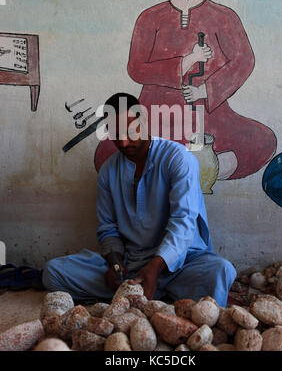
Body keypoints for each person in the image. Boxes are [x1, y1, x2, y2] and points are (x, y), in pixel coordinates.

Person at [94, 0, 277, 181]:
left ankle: (198, 166)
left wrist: (206, 89)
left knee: (262, 141)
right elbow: (135, 68)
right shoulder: (150, 18)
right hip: (156, 114)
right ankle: (195, 167)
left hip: (208, 114)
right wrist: (186, 61)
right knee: (106, 154)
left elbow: (243, 61)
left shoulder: (224, 16)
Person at [43, 93, 236, 307]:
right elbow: (108, 229)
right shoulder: (108, 171)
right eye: (115, 134)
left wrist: (155, 267)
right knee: (53, 272)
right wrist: (116, 266)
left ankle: (146, 291)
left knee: (221, 271)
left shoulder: (178, 159)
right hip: (132, 264)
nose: (124, 142)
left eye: (130, 131)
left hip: (180, 264)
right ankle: (139, 291)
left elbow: (183, 222)